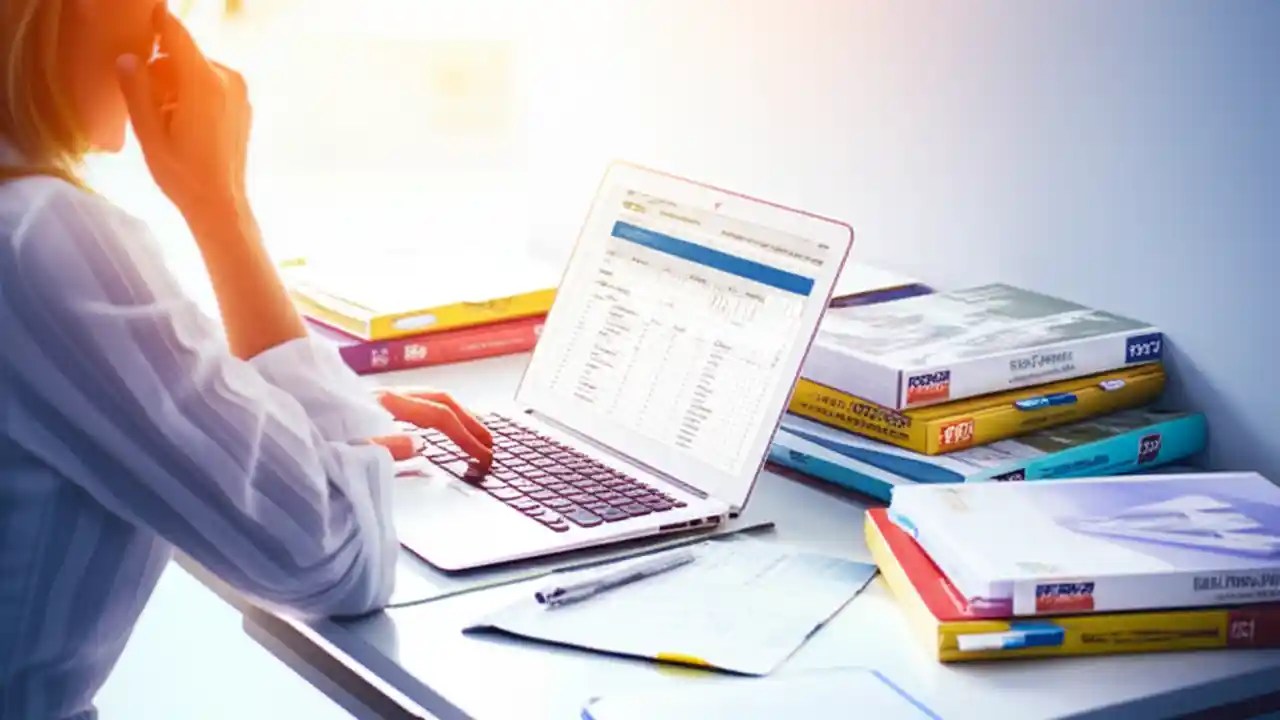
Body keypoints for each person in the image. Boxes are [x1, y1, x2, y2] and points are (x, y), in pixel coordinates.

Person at [0, 2, 494, 718]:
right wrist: (219, 202)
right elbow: (332, 558)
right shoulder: (41, 237)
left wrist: (280, 419)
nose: (166, 23)